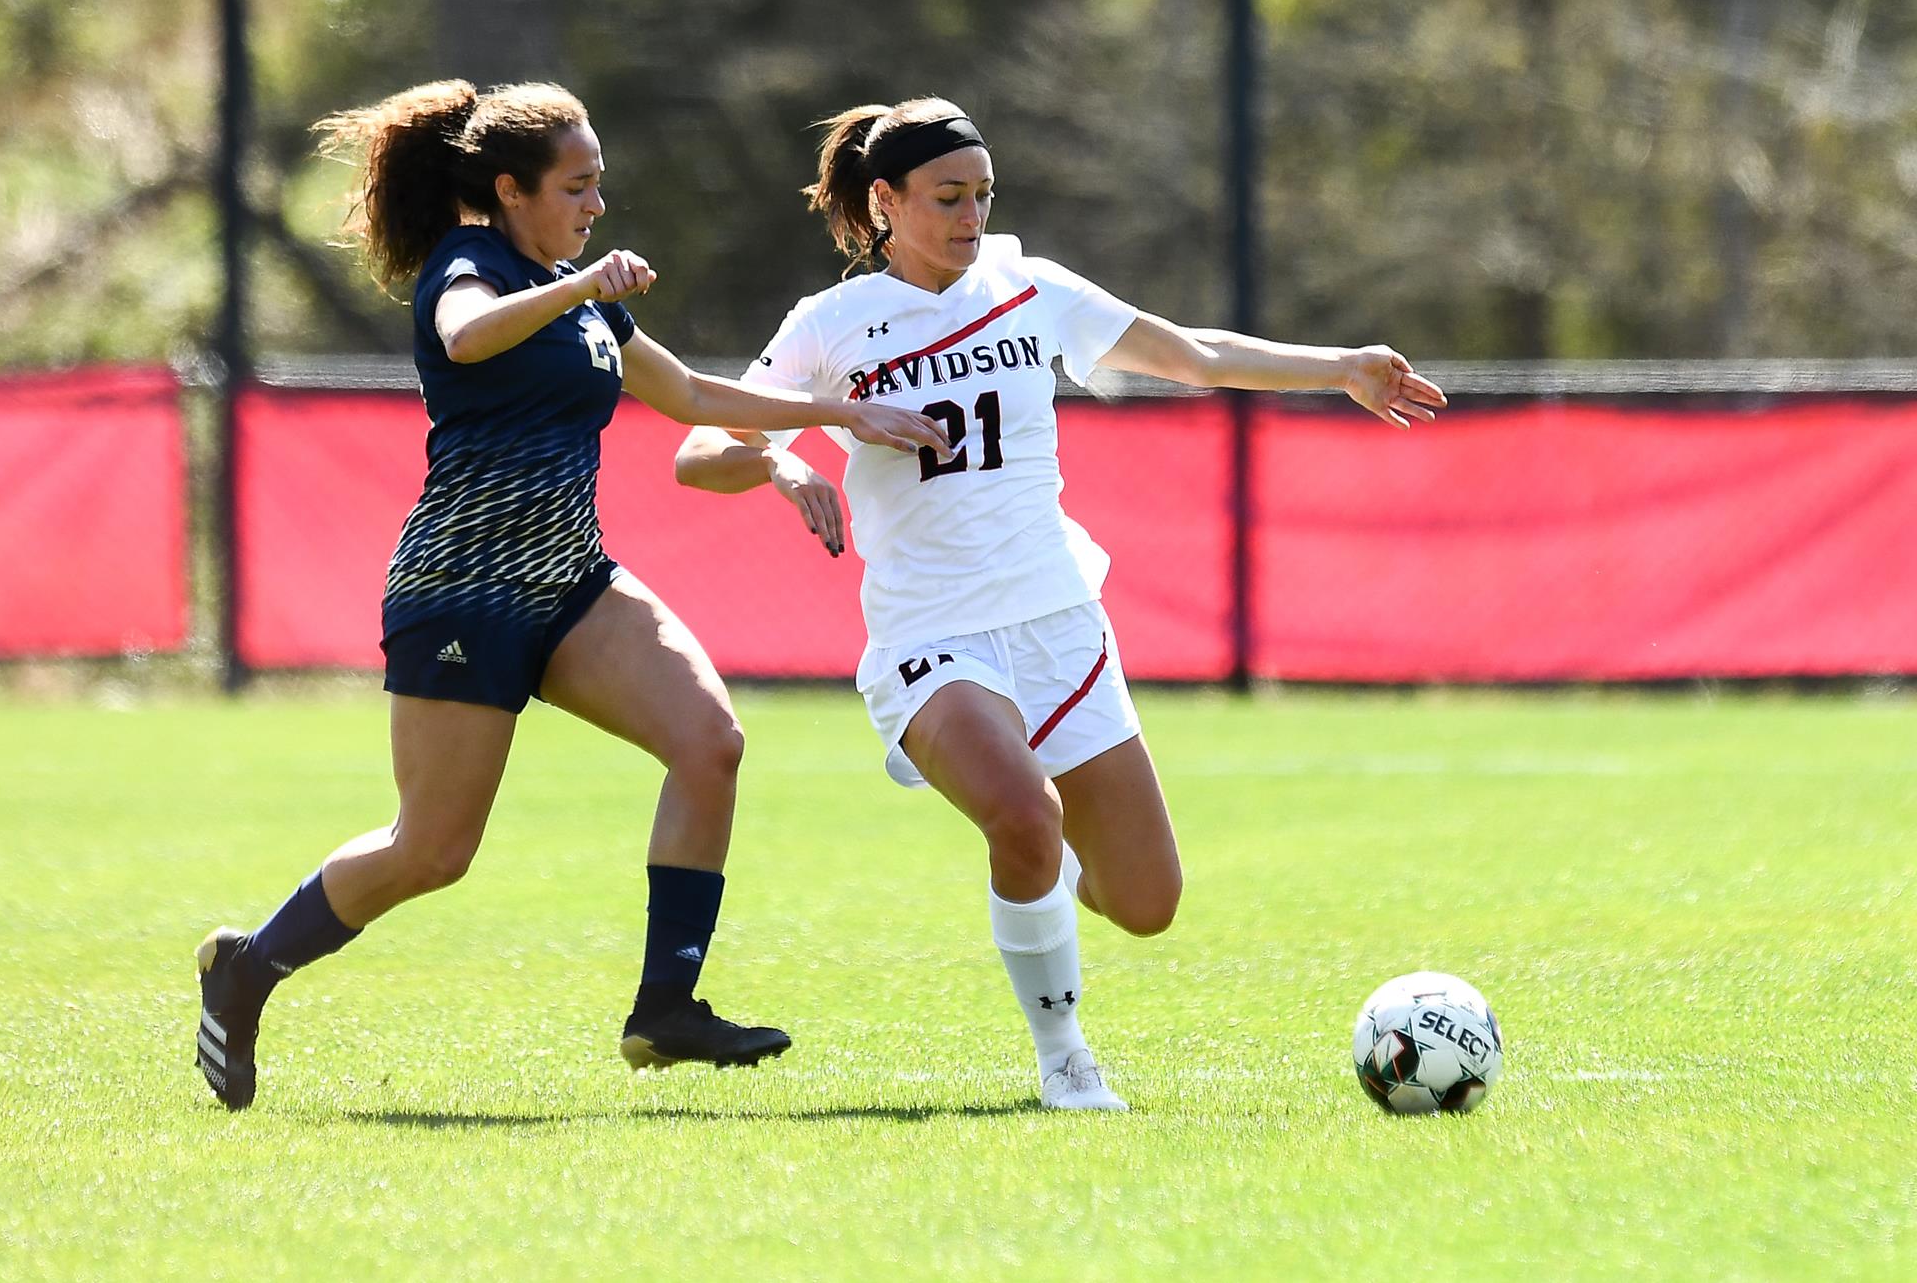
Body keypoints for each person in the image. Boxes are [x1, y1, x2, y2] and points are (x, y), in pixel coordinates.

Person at [675, 97, 1445, 1111]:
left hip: (1056, 622)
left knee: (1145, 901)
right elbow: (699, 453)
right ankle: (1064, 1057)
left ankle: (1038, 881)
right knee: (1024, 815)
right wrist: (782, 462)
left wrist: (1337, 366)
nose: (969, 216)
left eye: (982, 195)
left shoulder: (1024, 287)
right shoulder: (831, 326)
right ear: (882, 201)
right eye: (947, 196)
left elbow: (1192, 355)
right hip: (930, 633)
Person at [193, 79, 949, 1111]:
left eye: (599, 186)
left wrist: (837, 412)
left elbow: (686, 394)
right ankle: (250, 965)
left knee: (709, 742)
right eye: (576, 185)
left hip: (571, 582)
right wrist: (579, 282)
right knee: (432, 849)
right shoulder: (474, 267)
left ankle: (666, 1008)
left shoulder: (575, 284)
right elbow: (464, 335)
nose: (596, 203)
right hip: (462, 592)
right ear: (509, 191)